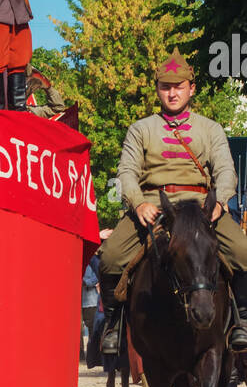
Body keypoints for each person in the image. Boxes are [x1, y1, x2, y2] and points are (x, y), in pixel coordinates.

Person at [99, 47, 247, 355]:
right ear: (158, 90)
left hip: (201, 208)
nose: (172, 92)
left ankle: (242, 319)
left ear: (191, 89)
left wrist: (219, 203)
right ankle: (114, 323)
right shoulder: (141, 129)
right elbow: (126, 171)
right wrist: (138, 203)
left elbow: (225, 171)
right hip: (155, 205)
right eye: (166, 86)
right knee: (111, 256)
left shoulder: (211, 128)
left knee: (242, 251)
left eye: (178, 86)